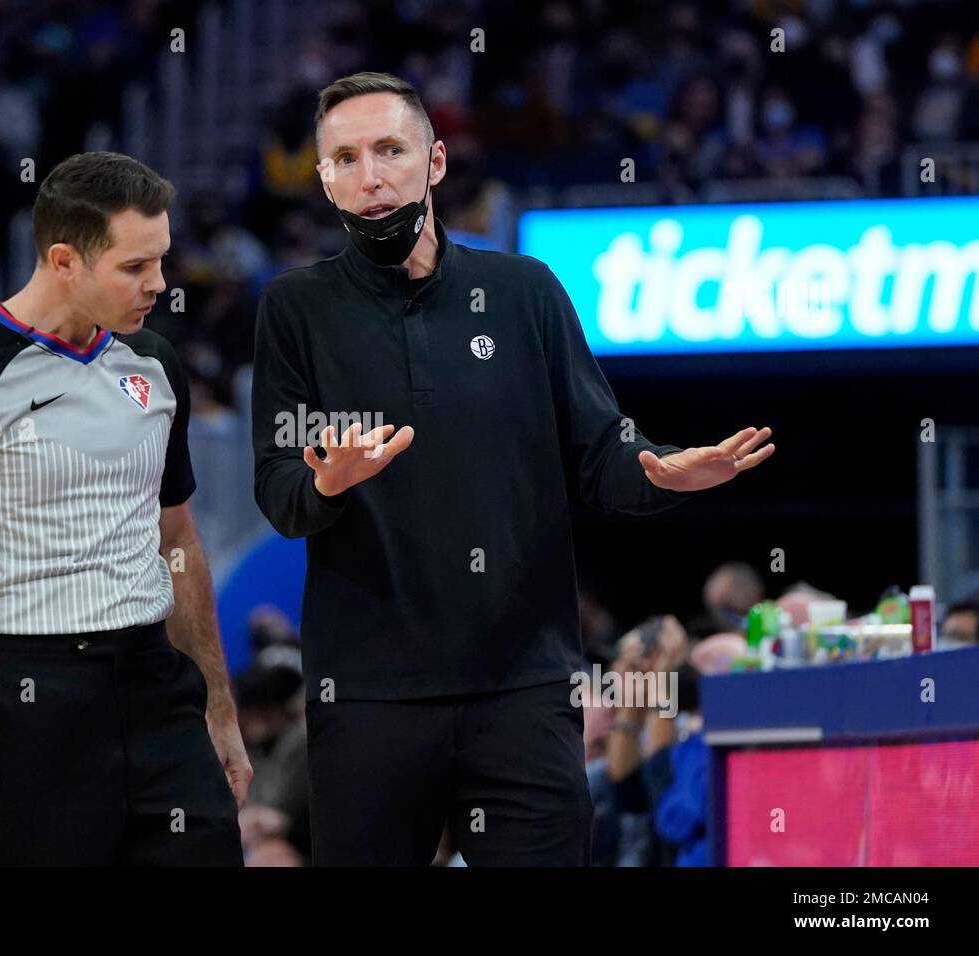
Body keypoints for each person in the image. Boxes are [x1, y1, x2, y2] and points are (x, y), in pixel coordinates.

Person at [250, 72, 775, 866]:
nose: (372, 174)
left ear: (434, 161)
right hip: (367, 695)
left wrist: (661, 471)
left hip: (524, 684)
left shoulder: (524, 291)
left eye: (390, 149)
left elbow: (602, 455)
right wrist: (327, 480)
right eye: (347, 158)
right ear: (324, 181)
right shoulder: (295, 310)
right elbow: (278, 491)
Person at [0, 152, 249, 866]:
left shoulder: (157, 364)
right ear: (64, 260)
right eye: (135, 267)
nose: (159, 284)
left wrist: (218, 711)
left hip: (154, 687)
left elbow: (179, 542)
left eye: (161, 261)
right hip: (18, 702)